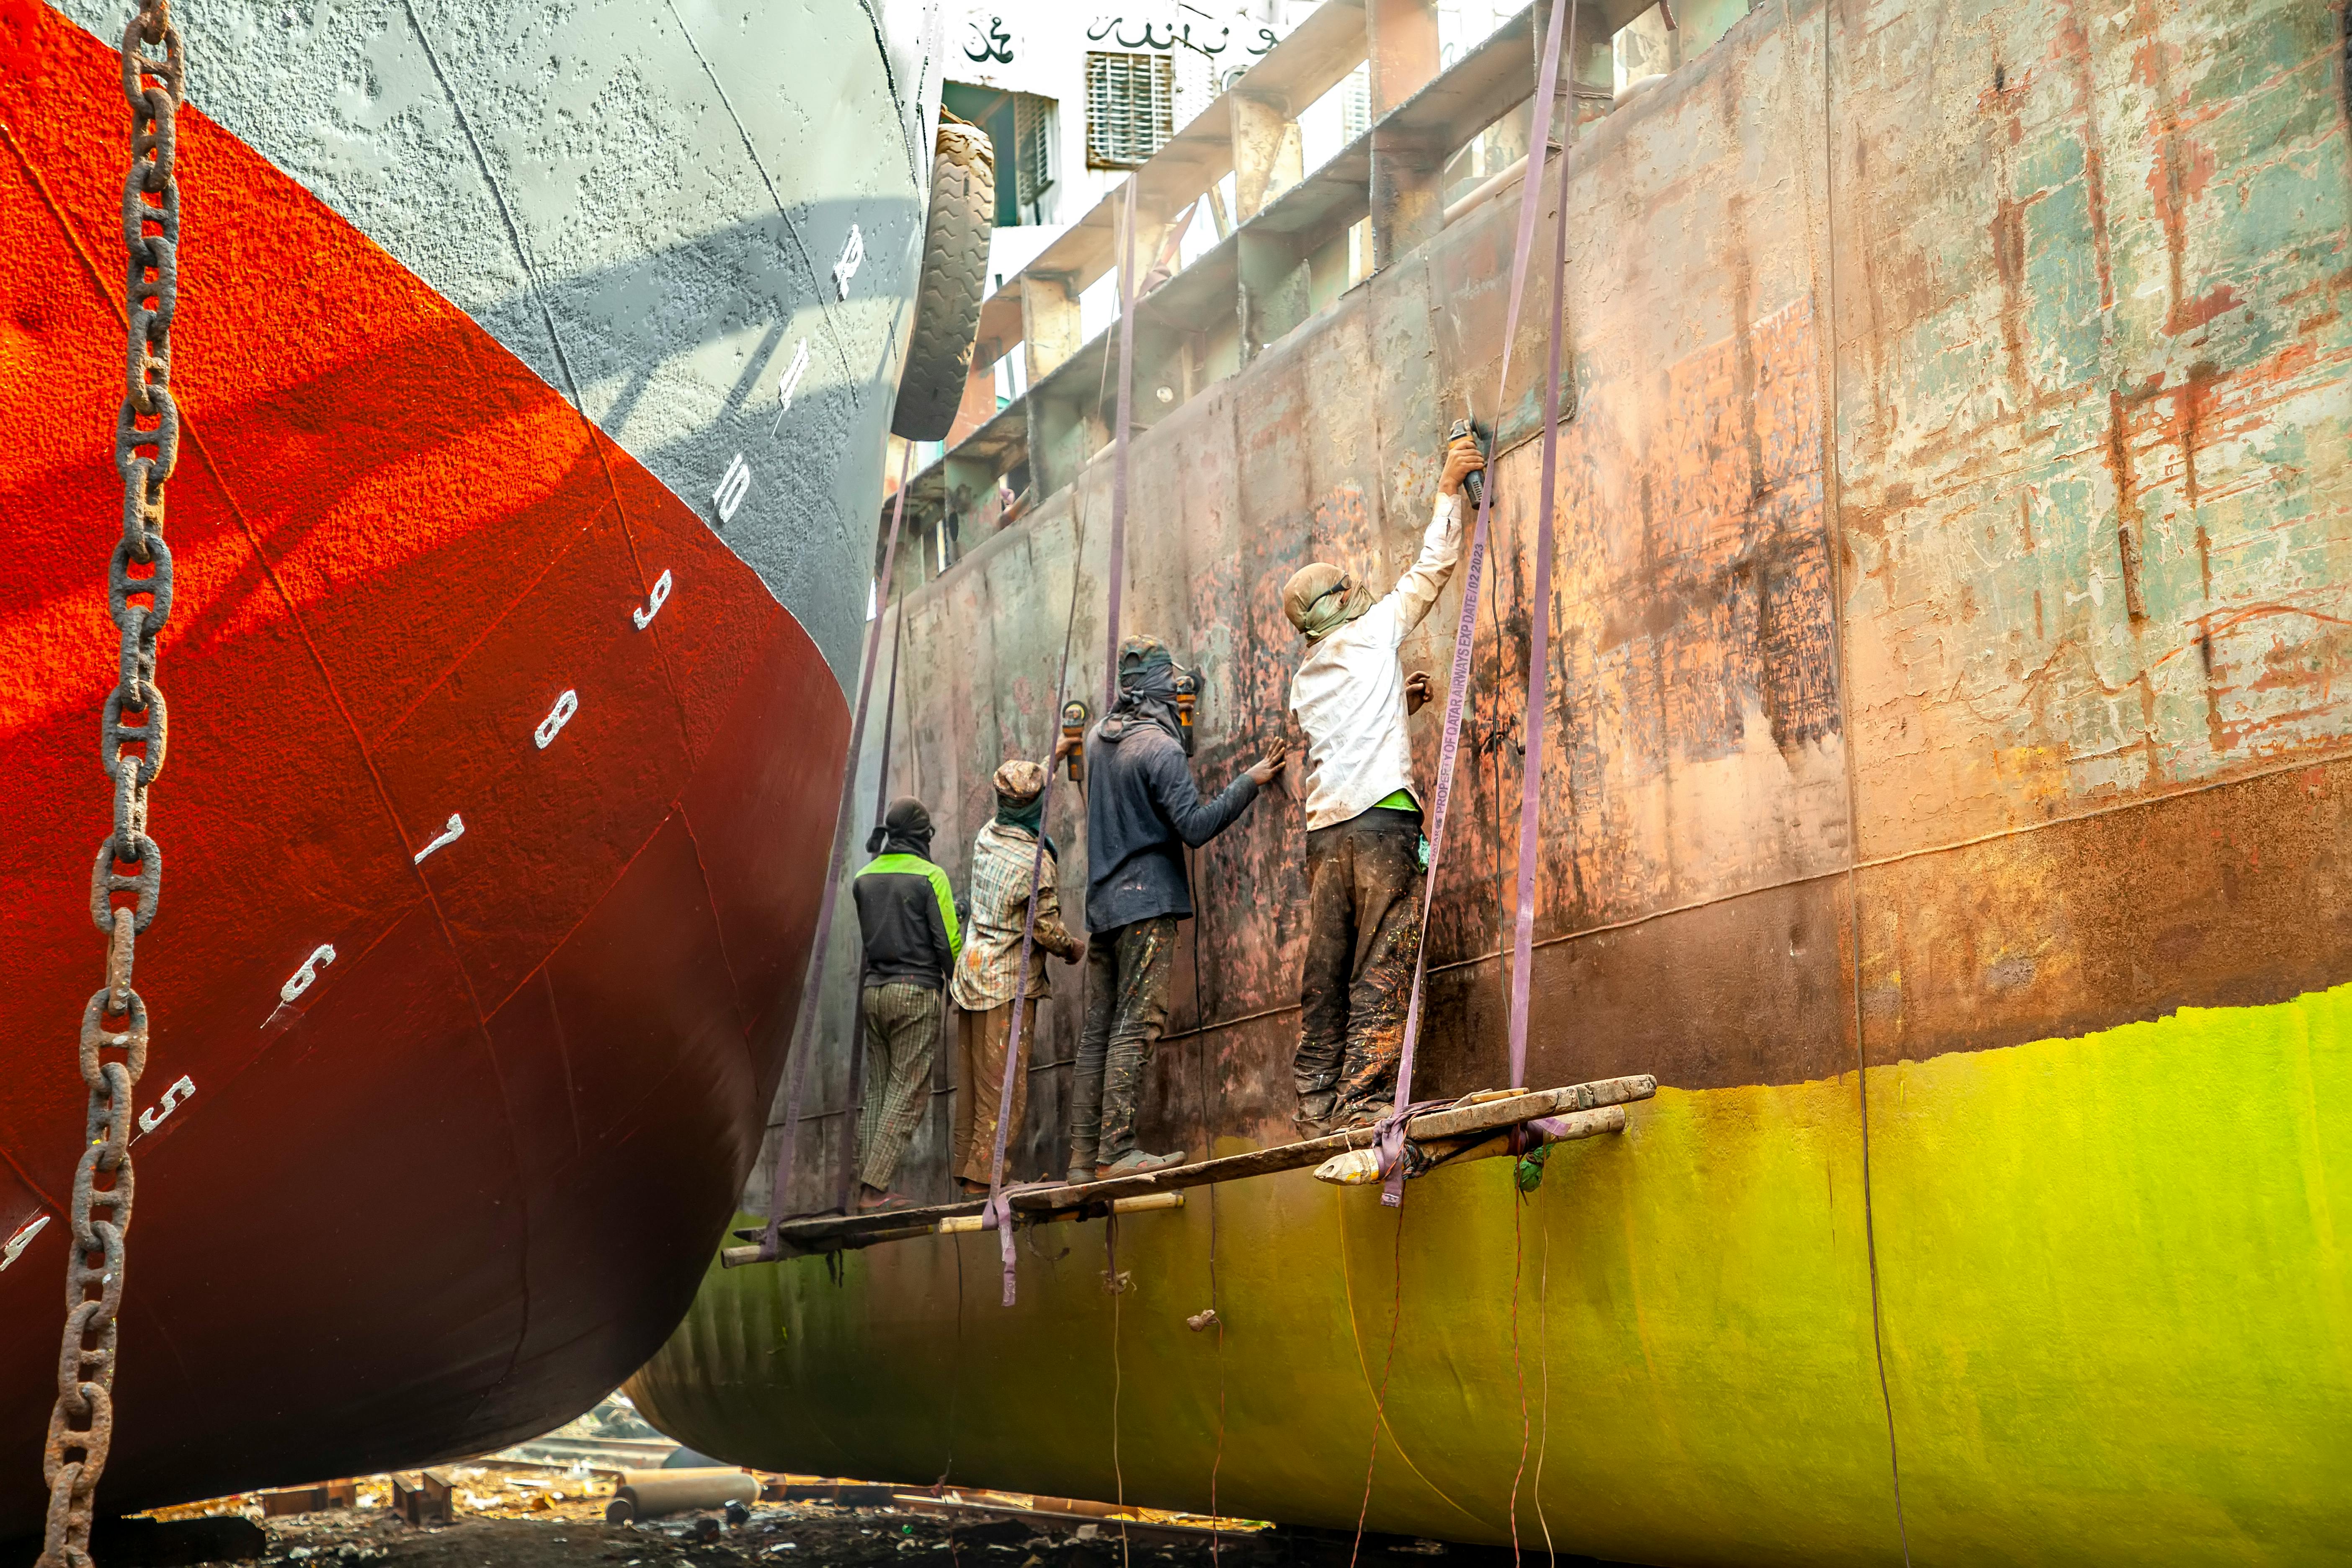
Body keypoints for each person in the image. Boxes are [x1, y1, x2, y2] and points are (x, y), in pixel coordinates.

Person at [1279, 433, 1486, 1132]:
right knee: (1381, 964)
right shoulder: (1370, 633)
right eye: (1341, 585)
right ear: (1336, 604)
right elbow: (1431, 571)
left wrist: (1400, 705)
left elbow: (1340, 735)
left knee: (1327, 971)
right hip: (1382, 824)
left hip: (1324, 832)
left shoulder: (1306, 678)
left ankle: (1313, 1107)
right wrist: (1448, 487)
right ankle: (1364, 1101)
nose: (1352, 586)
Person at [1067, 635, 1287, 1181]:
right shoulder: (1158, 748)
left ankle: (1081, 1158)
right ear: (1164, 686)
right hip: (1147, 904)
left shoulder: (1098, 737)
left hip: (1102, 905)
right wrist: (1249, 781)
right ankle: (1116, 1151)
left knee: (1098, 1029)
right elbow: (1194, 827)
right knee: (1135, 1025)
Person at [949, 758, 1084, 1195]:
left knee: (972, 1087)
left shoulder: (987, 837)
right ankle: (986, 1179)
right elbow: (1044, 929)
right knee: (1004, 1086)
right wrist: (1072, 947)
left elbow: (1023, 788)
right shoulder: (1035, 862)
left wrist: (1057, 754)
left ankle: (968, 1173)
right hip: (1006, 984)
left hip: (970, 976)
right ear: (1037, 804)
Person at [849, 796, 961, 1211]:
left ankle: (867, 1187)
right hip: (915, 993)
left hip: (874, 993)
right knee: (908, 1090)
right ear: (922, 835)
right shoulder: (930, 877)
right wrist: (958, 986)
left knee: (879, 1090)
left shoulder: (863, 878)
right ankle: (874, 1191)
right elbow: (948, 943)